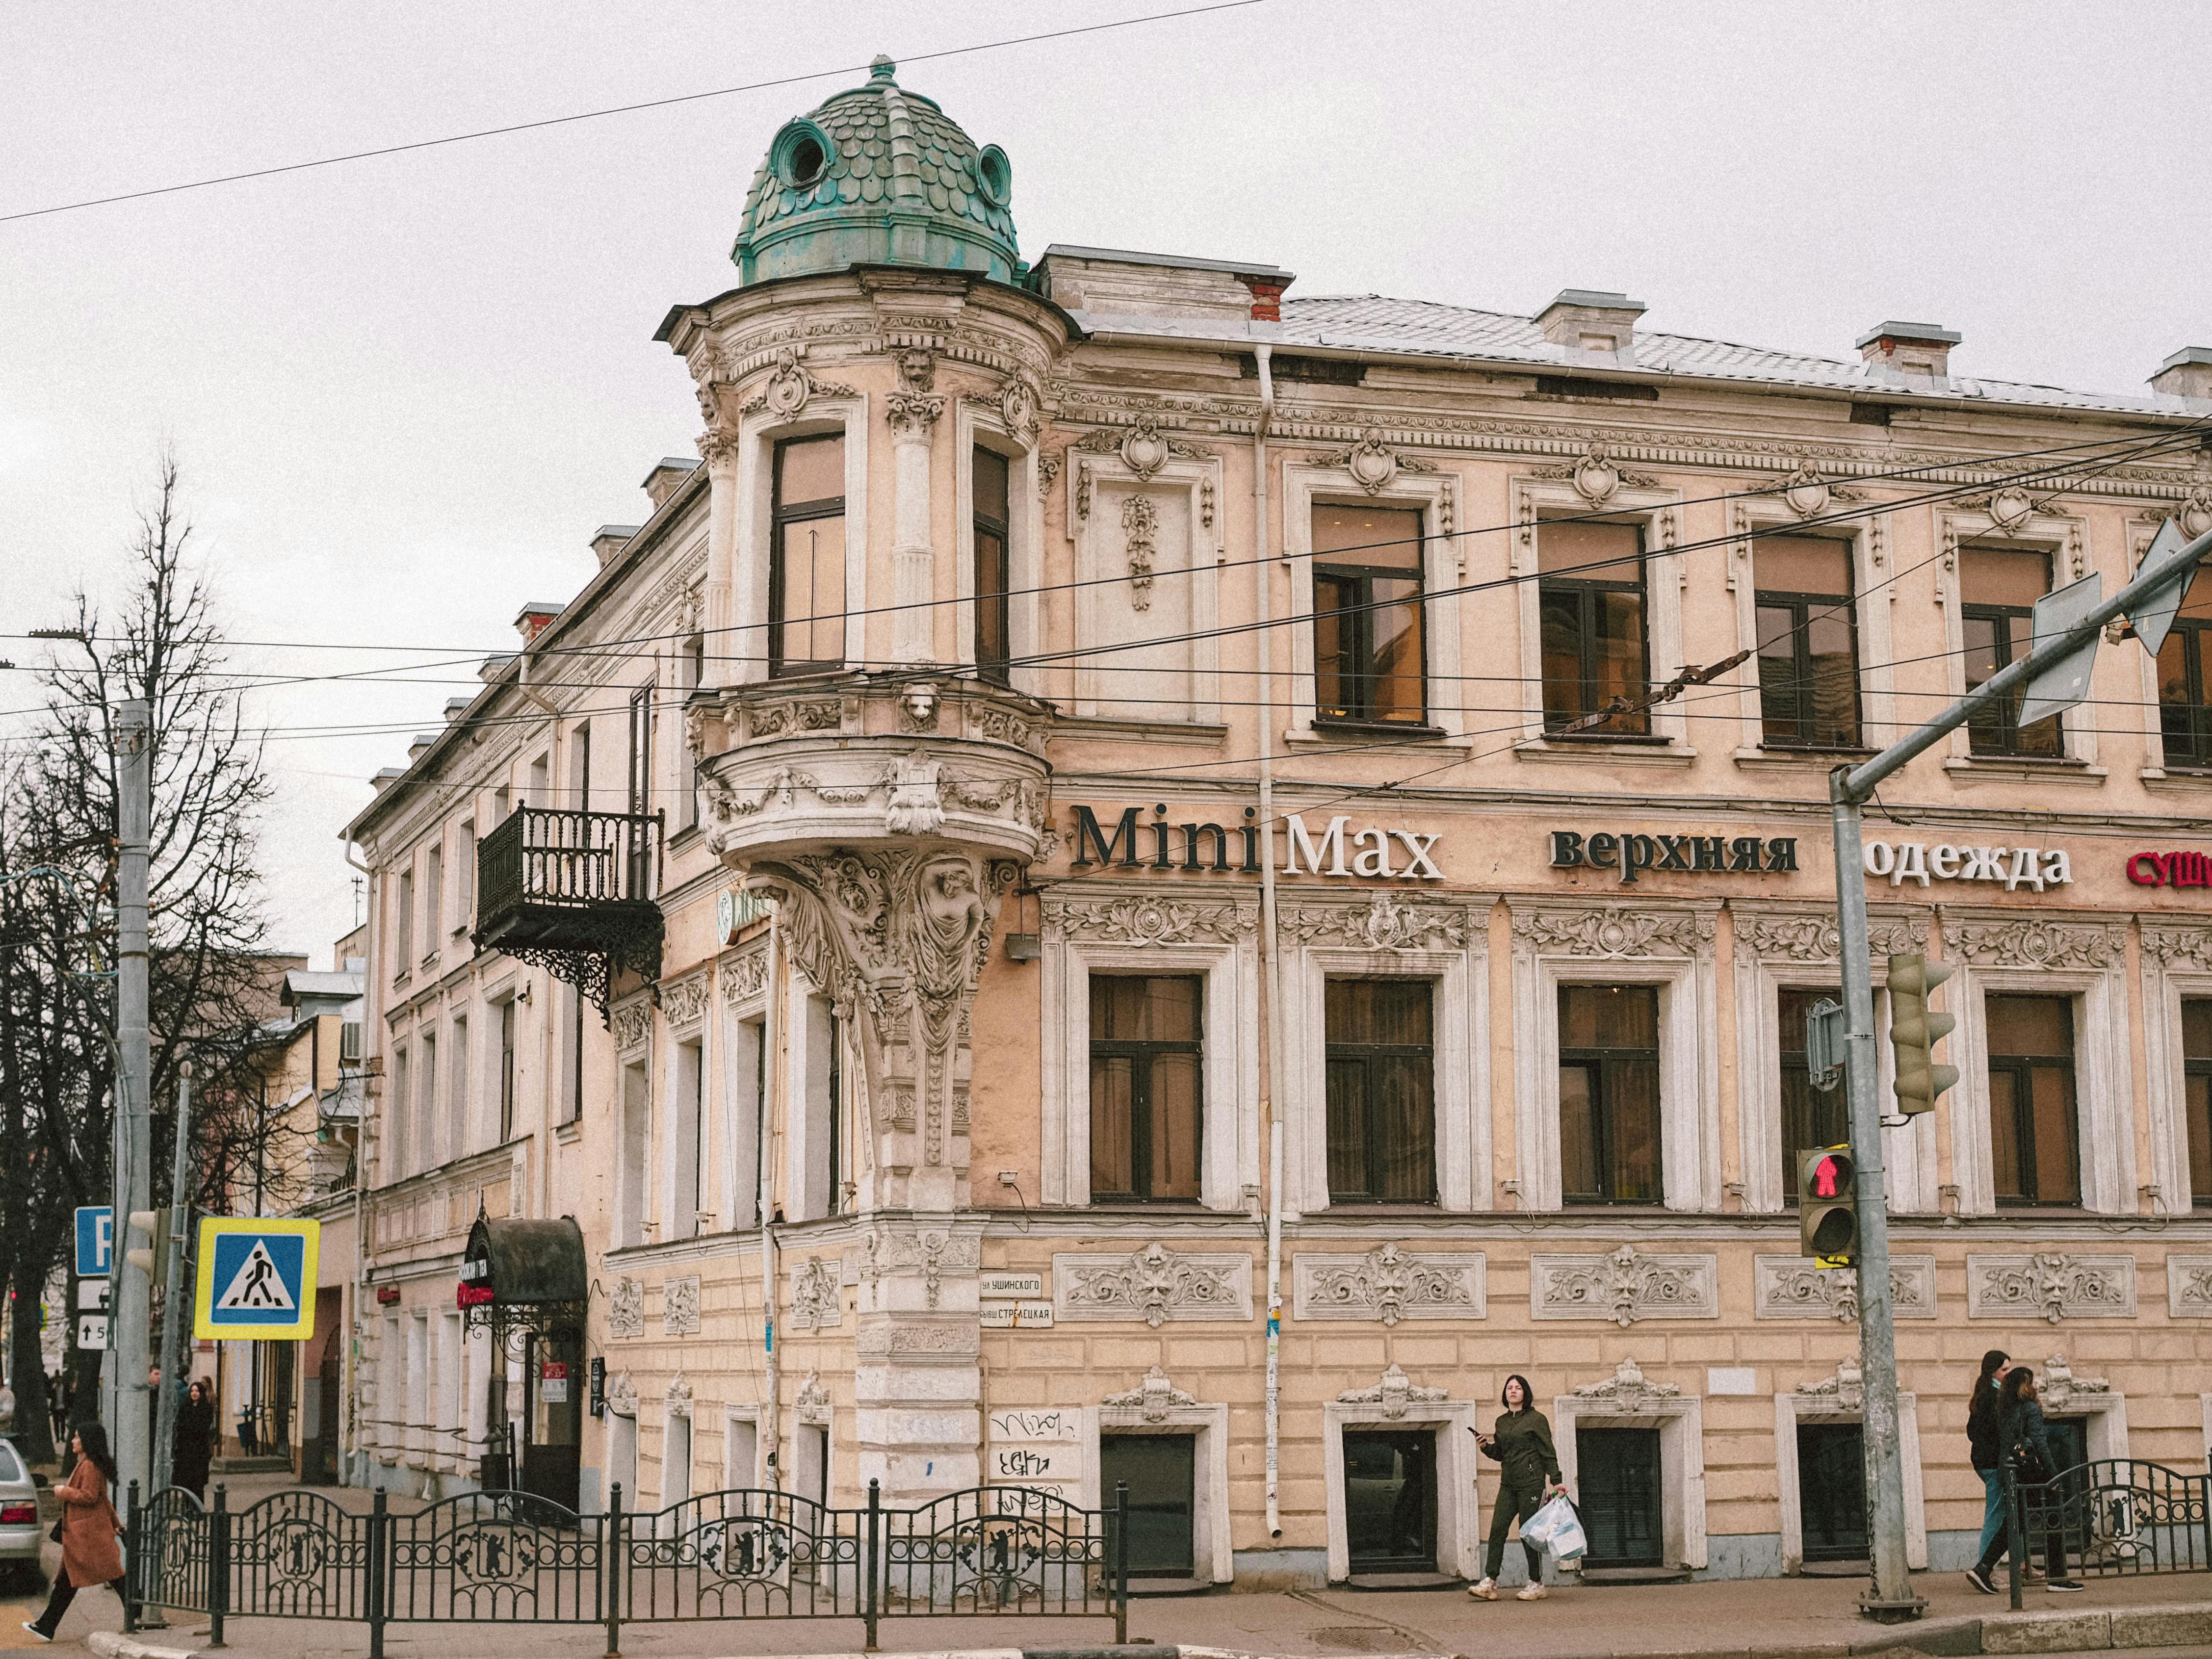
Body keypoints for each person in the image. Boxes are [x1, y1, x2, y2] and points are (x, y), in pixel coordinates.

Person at [1967, 1367, 2082, 1595]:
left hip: (2011, 1472)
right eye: (2033, 1381)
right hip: (2033, 1473)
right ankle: (2058, 1578)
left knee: (2014, 1523)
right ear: (2026, 1384)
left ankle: (1983, 1568)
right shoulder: (2030, 1409)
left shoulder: (2005, 1410)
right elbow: (2040, 1444)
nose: (2036, 1385)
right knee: (2054, 1518)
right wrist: (2053, 1474)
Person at [22, 1422, 127, 1643]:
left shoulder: (89, 1466)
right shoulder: (88, 1463)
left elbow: (89, 1497)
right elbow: (102, 1499)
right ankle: (46, 1626)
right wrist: (115, 1524)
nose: (73, 1441)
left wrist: (63, 1491)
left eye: (77, 1437)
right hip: (86, 1532)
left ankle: (137, 1614)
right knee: (71, 1582)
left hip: (87, 1534)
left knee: (112, 1575)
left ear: (87, 1441)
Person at [1468, 1374, 1565, 1602]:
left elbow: (1548, 1451)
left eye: (1518, 1388)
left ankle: (1536, 1583)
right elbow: (1501, 1453)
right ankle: (1490, 1582)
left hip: (1531, 1484)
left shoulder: (1536, 1419)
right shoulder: (1502, 1421)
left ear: (1525, 1393)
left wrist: (1556, 1479)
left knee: (1527, 1533)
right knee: (1498, 1529)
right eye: (1509, 1388)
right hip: (1508, 1484)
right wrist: (1486, 1447)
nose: (1513, 1391)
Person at [172, 1379, 215, 1500]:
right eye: (192, 1391)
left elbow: (204, 1428)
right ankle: (187, 1508)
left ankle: (198, 1508)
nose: (194, 1393)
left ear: (201, 1393)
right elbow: (180, 1427)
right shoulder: (185, 1408)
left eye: (197, 1391)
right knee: (186, 1481)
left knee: (198, 1482)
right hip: (185, 1450)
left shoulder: (206, 1408)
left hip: (199, 1451)